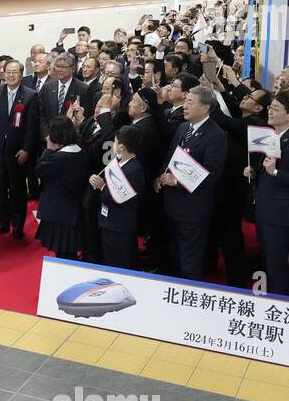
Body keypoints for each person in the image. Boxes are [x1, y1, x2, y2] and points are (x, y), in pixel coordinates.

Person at [246, 89, 289, 296]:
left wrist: (274, 172)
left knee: (277, 264)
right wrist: (255, 172)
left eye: (276, 109)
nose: (270, 111)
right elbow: (267, 170)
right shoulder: (272, 136)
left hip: (280, 214)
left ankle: (278, 302)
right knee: (268, 260)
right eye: (270, 107)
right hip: (265, 209)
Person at [154, 86, 227, 280]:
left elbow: (212, 174)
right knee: (174, 255)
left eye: (190, 103)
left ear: (205, 108)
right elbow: (171, 157)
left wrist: (177, 181)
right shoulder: (183, 128)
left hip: (193, 208)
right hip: (171, 204)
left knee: (189, 259)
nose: (184, 106)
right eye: (185, 101)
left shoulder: (216, 135)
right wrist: (161, 176)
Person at [0, 59, 38, 238]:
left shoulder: (30, 95)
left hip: (18, 152)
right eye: (7, 71)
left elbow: (32, 127)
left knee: (17, 190)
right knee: (0, 188)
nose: (10, 75)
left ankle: (18, 225)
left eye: (14, 72)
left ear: (21, 73)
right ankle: (2, 222)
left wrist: (26, 149)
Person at [90, 124, 146, 269]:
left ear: (121, 147)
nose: (113, 144)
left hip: (120, 226)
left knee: (120, 261)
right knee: (109, 258)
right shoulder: (119, 162)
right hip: (109, 221)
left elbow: (124, 198)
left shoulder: (134, 169)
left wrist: (102, 186)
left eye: (115, 141)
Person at [35, 116, 91, 260]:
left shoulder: (58, 158)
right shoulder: (81, 152)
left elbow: (39, 170)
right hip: (74, 210)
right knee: (69, 254)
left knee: (64, 256)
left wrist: (48, 149)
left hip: (60, 215)